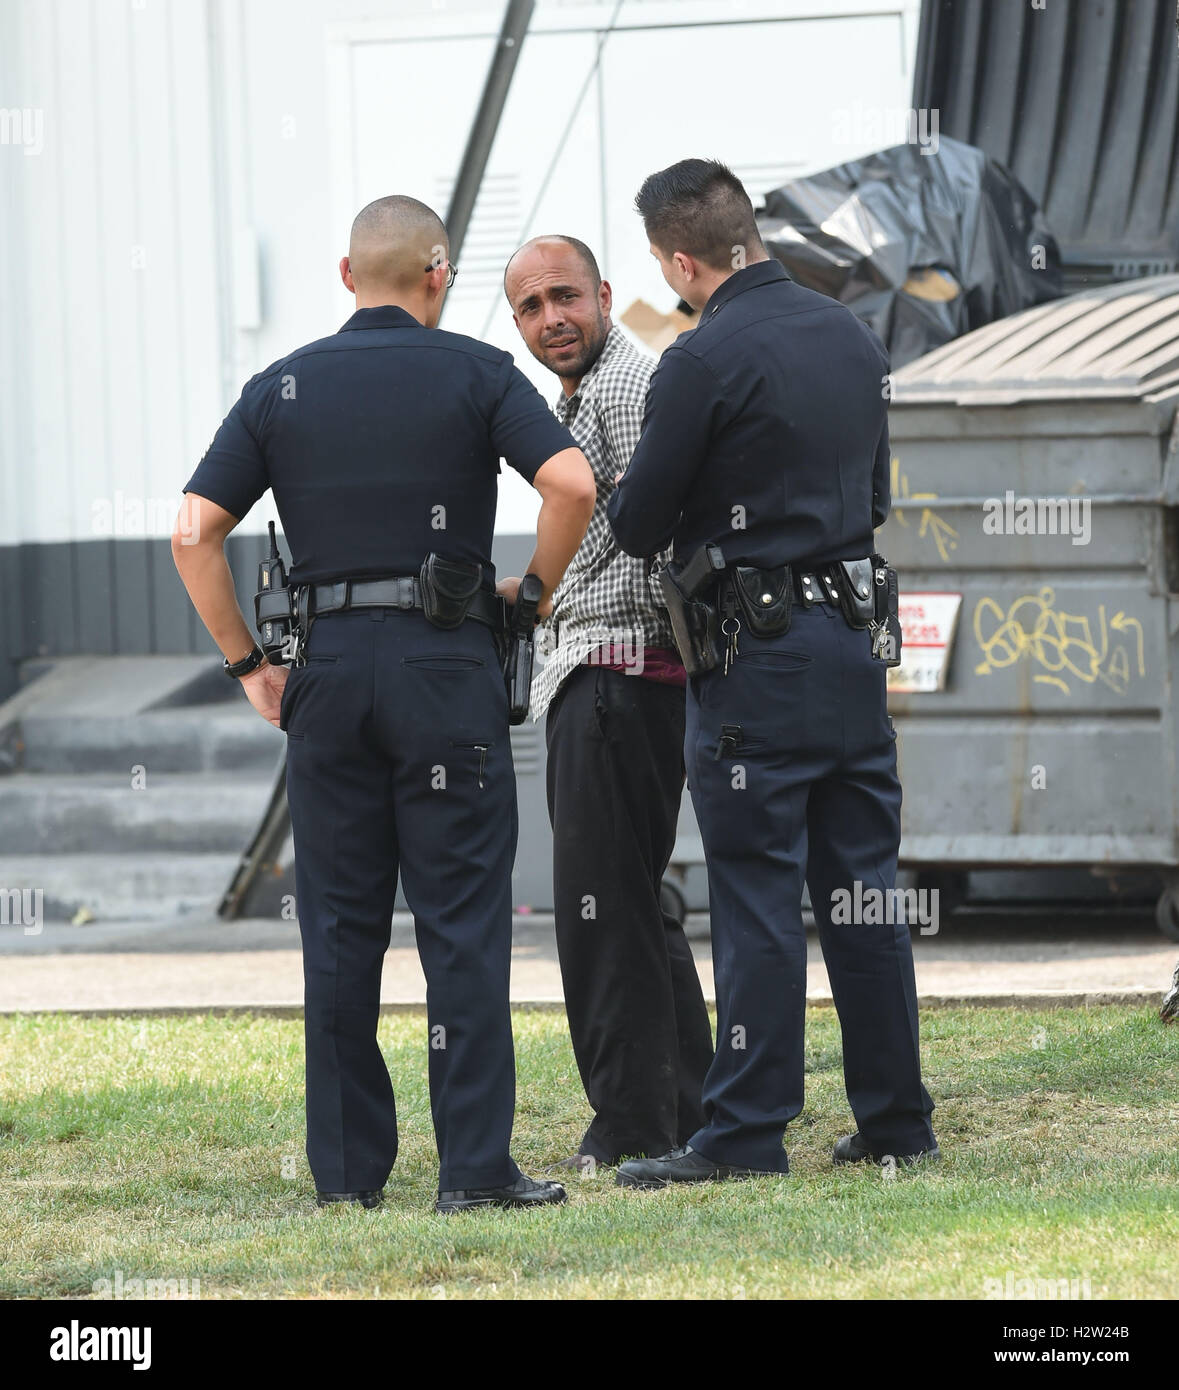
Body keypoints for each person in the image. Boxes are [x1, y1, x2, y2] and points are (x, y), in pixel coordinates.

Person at [172, 195, 596, 1213]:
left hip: (323, 675)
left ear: (345, 274)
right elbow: (572, 485)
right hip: (444, 668)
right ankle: (475, 1174)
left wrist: (248, 667)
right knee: (460, 924)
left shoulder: (280, 387)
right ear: (439, 273)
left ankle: (349, 1176)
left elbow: (193, 531)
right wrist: (530, 595)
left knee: (339, 927)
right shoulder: (480, 373)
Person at [607, 160, 938, 1187]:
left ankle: (746, 1133)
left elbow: (636, 524)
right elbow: (874, 494)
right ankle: (895, 1120)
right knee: (865, 890)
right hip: (851, 642)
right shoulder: (849, 334)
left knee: (756, 894)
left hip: (757, 661)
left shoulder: (701, 361)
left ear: (679, 260)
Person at [502, 235, 714, 1172]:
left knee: (595, 910)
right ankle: (691, 1105)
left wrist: (543, 595)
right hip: (621, 680)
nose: (550, 320)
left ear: (604, 296)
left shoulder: (628, 390)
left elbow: (652, 532)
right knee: (632, 901)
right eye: (529, 307)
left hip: (612, 677)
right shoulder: (594, 394)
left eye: (565, 298)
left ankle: (629, 1125)